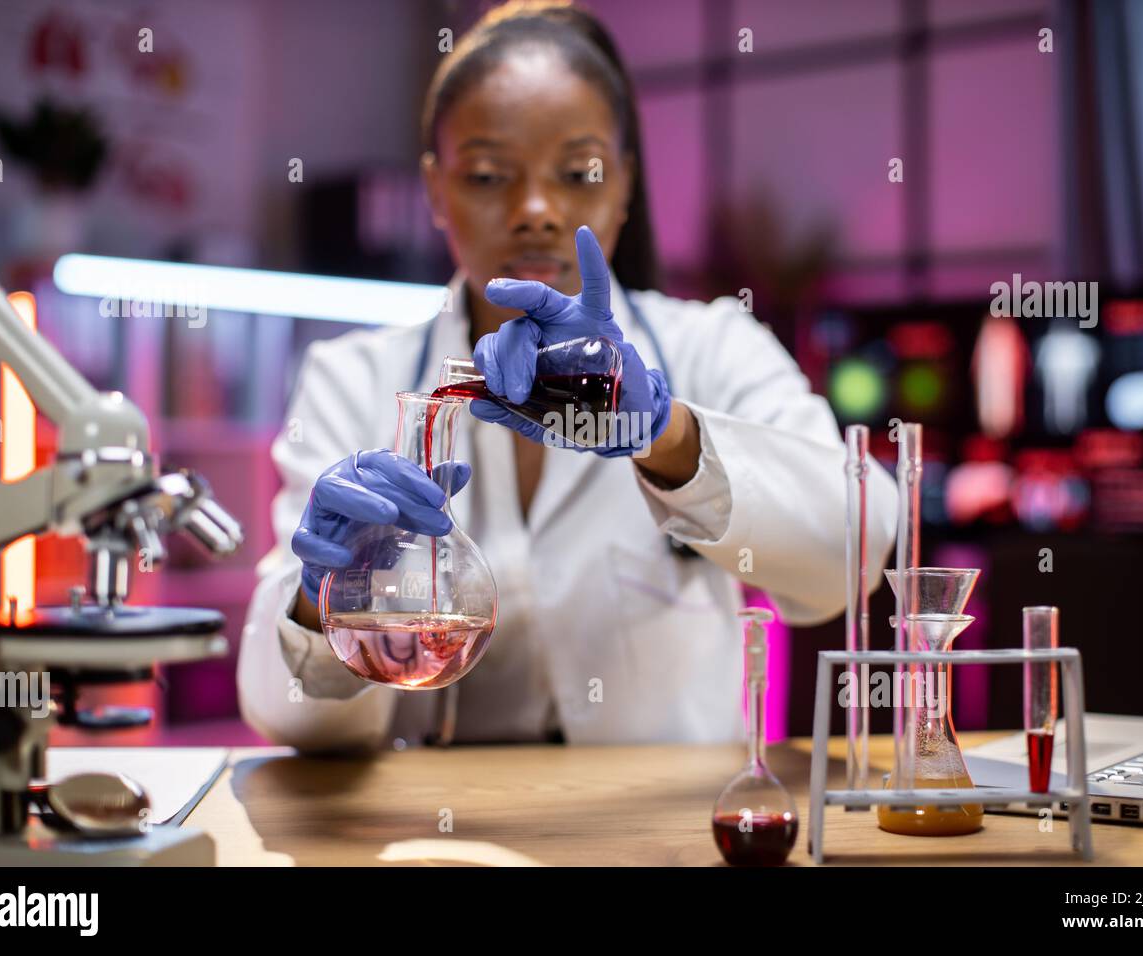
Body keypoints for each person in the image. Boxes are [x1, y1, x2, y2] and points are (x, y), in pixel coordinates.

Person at [238, 0, 897, 753]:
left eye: (578, 172)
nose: (537, 211)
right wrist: (325, 599)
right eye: (488, 175)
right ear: (435, 189)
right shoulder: (352, 377)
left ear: (623, 186)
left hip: (665, 837)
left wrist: (668, 439)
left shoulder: (713, 343)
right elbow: (288, 713)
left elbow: (856, 547)